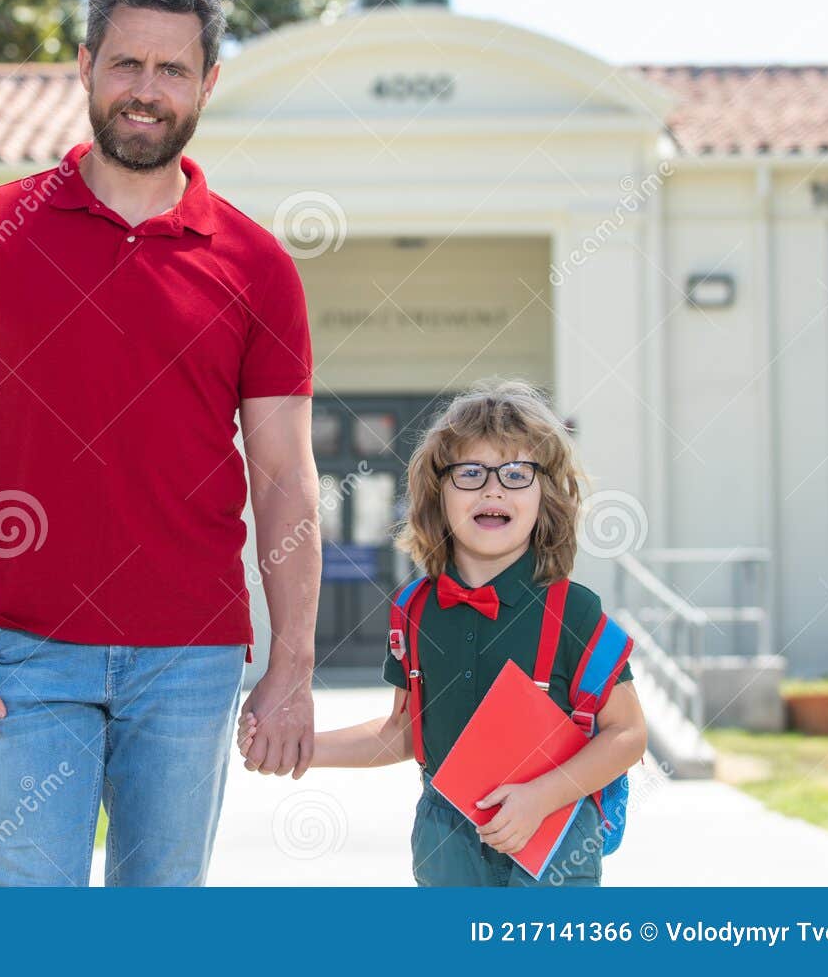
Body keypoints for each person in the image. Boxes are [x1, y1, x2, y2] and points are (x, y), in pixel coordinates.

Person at [0, 0, 321, 887]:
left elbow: (286, 477)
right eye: (127, 63)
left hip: (190, 658)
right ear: (86, 65)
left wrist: (292, 660)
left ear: (208, 83)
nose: (146, 89)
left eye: (173, 69)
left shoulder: (257, 266)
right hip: (24, 650)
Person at [240, 379, 648, 886]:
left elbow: (628, 734)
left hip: (553, 838)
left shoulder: (574, 611)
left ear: (544, 496)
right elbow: (404, 734)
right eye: (470, 473)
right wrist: (298, 749)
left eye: (517, 474)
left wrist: (541, 796)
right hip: (445, 839)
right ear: (439, 494)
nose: (493, 489)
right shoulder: (414, 611)